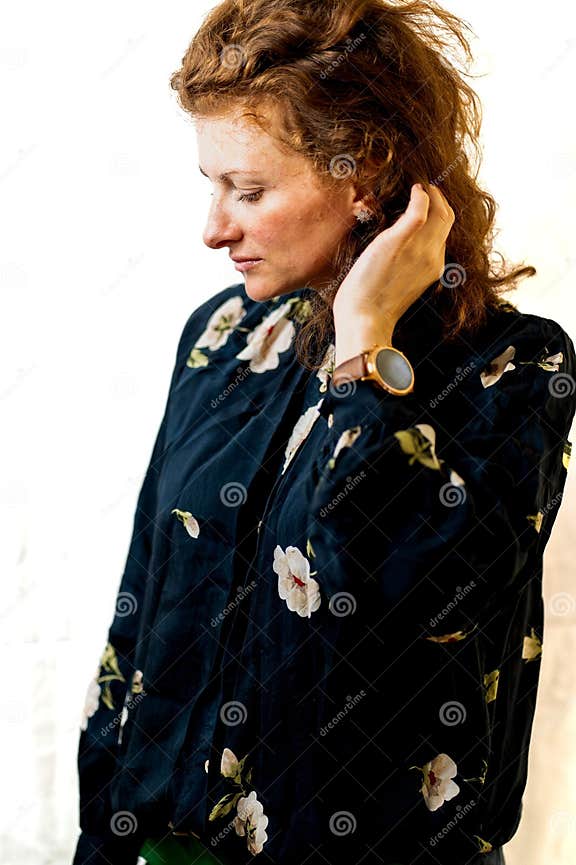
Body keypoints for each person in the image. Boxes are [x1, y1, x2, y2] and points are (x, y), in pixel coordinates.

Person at [71, 1, 576, 863]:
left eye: (250, 189)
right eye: (212, 183)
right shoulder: (223, 340)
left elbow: (394, 605)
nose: (214, 227)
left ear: (364, 172)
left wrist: (365, 346)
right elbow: (141, 616)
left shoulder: (513, 374)